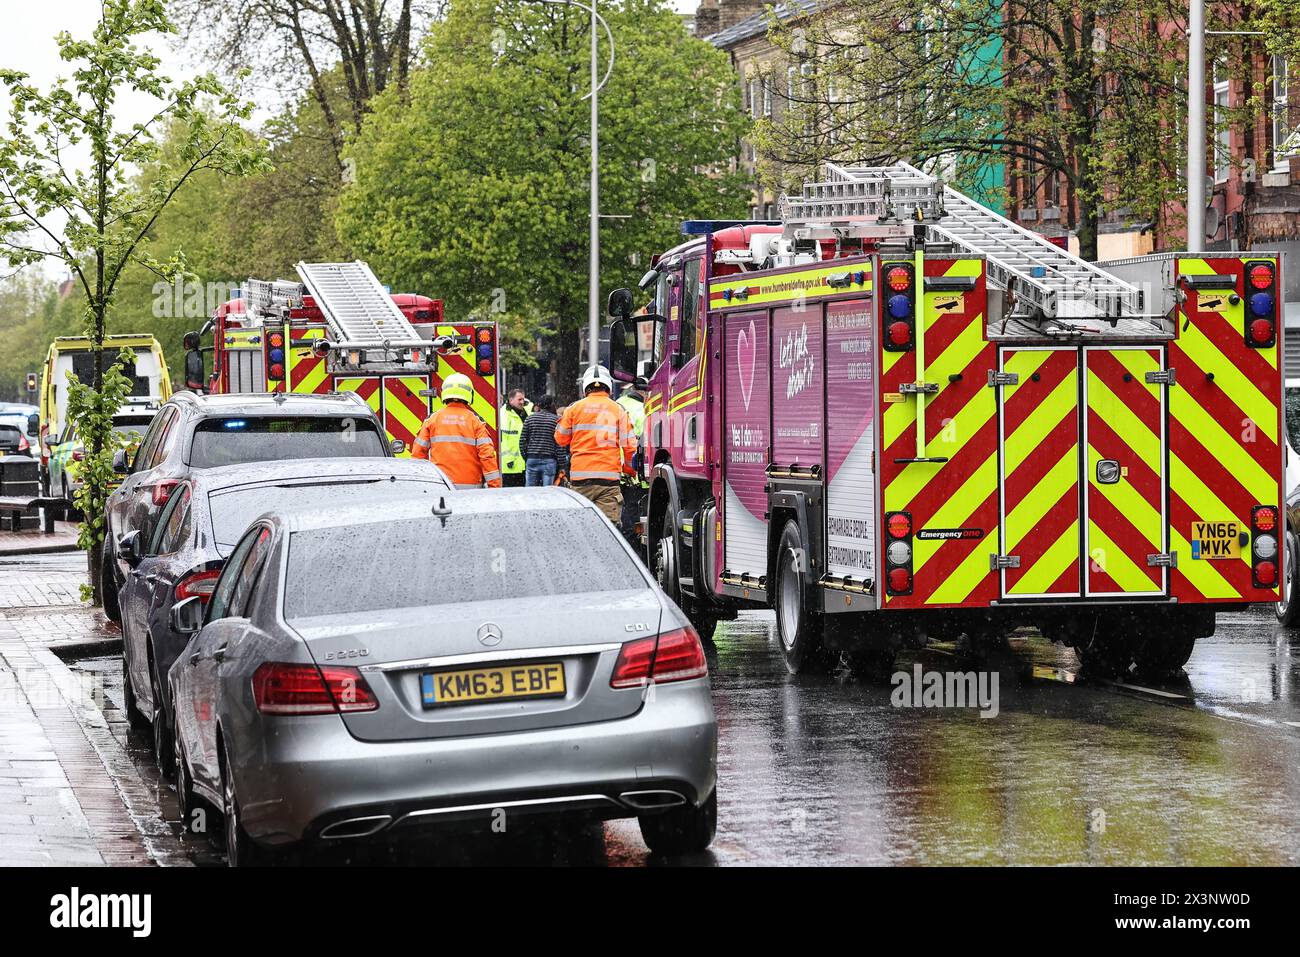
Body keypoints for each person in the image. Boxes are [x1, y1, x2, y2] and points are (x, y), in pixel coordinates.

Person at [555, 365, 636, 524]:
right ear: (609, 387)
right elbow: (629, 446)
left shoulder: (573, 409)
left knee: (582, 526)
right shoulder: (618, 409)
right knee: (608, 530)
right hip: (608, 480)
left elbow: (560, 439)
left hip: (581, 479)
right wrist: (628, 470)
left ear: (585, 387)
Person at [412, 373, 502, 488]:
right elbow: (487, 457)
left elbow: (417, 455)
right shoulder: (476, 421)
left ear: (445, 393)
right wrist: (494, 488)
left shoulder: (432, 419)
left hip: (441, 487)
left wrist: (421, 484)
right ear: (470, 394)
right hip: (470, 490)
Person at [615, 384, 648, 542]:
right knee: (635, 513)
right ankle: (633, 545)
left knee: (623, 510)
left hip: (616, 469)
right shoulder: (644, 408)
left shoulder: (618, 402)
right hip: (634, 472)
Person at [520, 394, 566, 487]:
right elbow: (560, 444)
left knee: (530, 491)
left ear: (539, 405)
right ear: (551, 404)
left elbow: (522, 441)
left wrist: (527, 456)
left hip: (532, 459)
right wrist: (561, 464)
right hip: (549, 460)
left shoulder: (529, 419)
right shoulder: (556, 420)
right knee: (548, 492)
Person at [499, 388, 529, 487]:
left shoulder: (525, 411)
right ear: (511, 400)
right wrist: (509, 459)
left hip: (523, 463)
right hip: (509, 465)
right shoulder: (504, 414)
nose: (522, 402)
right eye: (519, 399)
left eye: (523, 399)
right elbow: (505, 440)